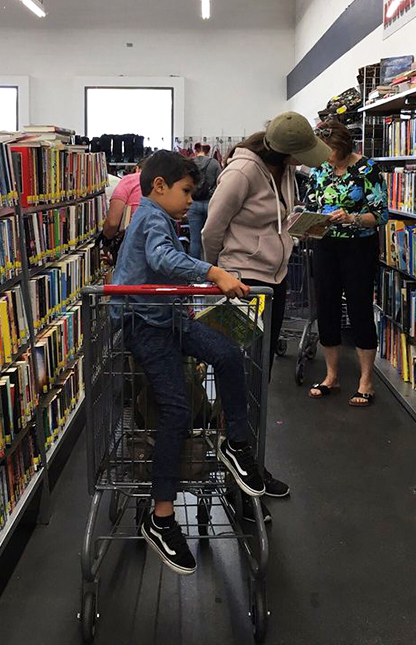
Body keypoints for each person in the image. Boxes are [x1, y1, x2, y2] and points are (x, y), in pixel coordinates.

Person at [112, 150, 265, 576]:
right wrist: (213, 273)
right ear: (159, 186)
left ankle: (235, 443)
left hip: (169, 318)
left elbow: (163, 265)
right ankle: (160, 518)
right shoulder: (151, 217)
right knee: (176, 410)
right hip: (146, 324)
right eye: (185, 192)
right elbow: (162, 259)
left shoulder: (161, 216)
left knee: (228, 353)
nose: (189, 201)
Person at [202, 112, 331, 502]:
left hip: (273, 283)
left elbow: (276, 219)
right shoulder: (242, 172)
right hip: (241, 285)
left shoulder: (285, 170)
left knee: (260, 379)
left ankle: (251, 464)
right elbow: (212, 229)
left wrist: (298, 229)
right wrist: (218, 275)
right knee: (239, 376)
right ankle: (237, 467)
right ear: (285, 152)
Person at [305, 119, 388, 407]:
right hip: (325, 243)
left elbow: (381, 214)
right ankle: (332, 376)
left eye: (331, 150)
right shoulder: (319, 170)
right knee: (326, 306)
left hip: (358, 245)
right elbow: (311, 204)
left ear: (344, 146)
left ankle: (366, 380)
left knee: (359, 307)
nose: (327, 156)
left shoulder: (367, 168)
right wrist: (306, 221)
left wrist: (352, 218)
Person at [187, 145, 220, 258]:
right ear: (208, 151)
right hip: (210, 204)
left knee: (194, 240)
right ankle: (209, 268)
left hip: (193, 203)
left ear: (195, 151)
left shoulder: (189, 164)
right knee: (210, 238)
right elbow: (220, 183)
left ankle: (194, 271)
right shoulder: (214, 163)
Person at [102, 160, 145, 240]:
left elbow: (113, 223)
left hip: (132, 239)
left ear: (137, 169)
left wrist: (106, 240)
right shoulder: (167, 185)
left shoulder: (129, 180)